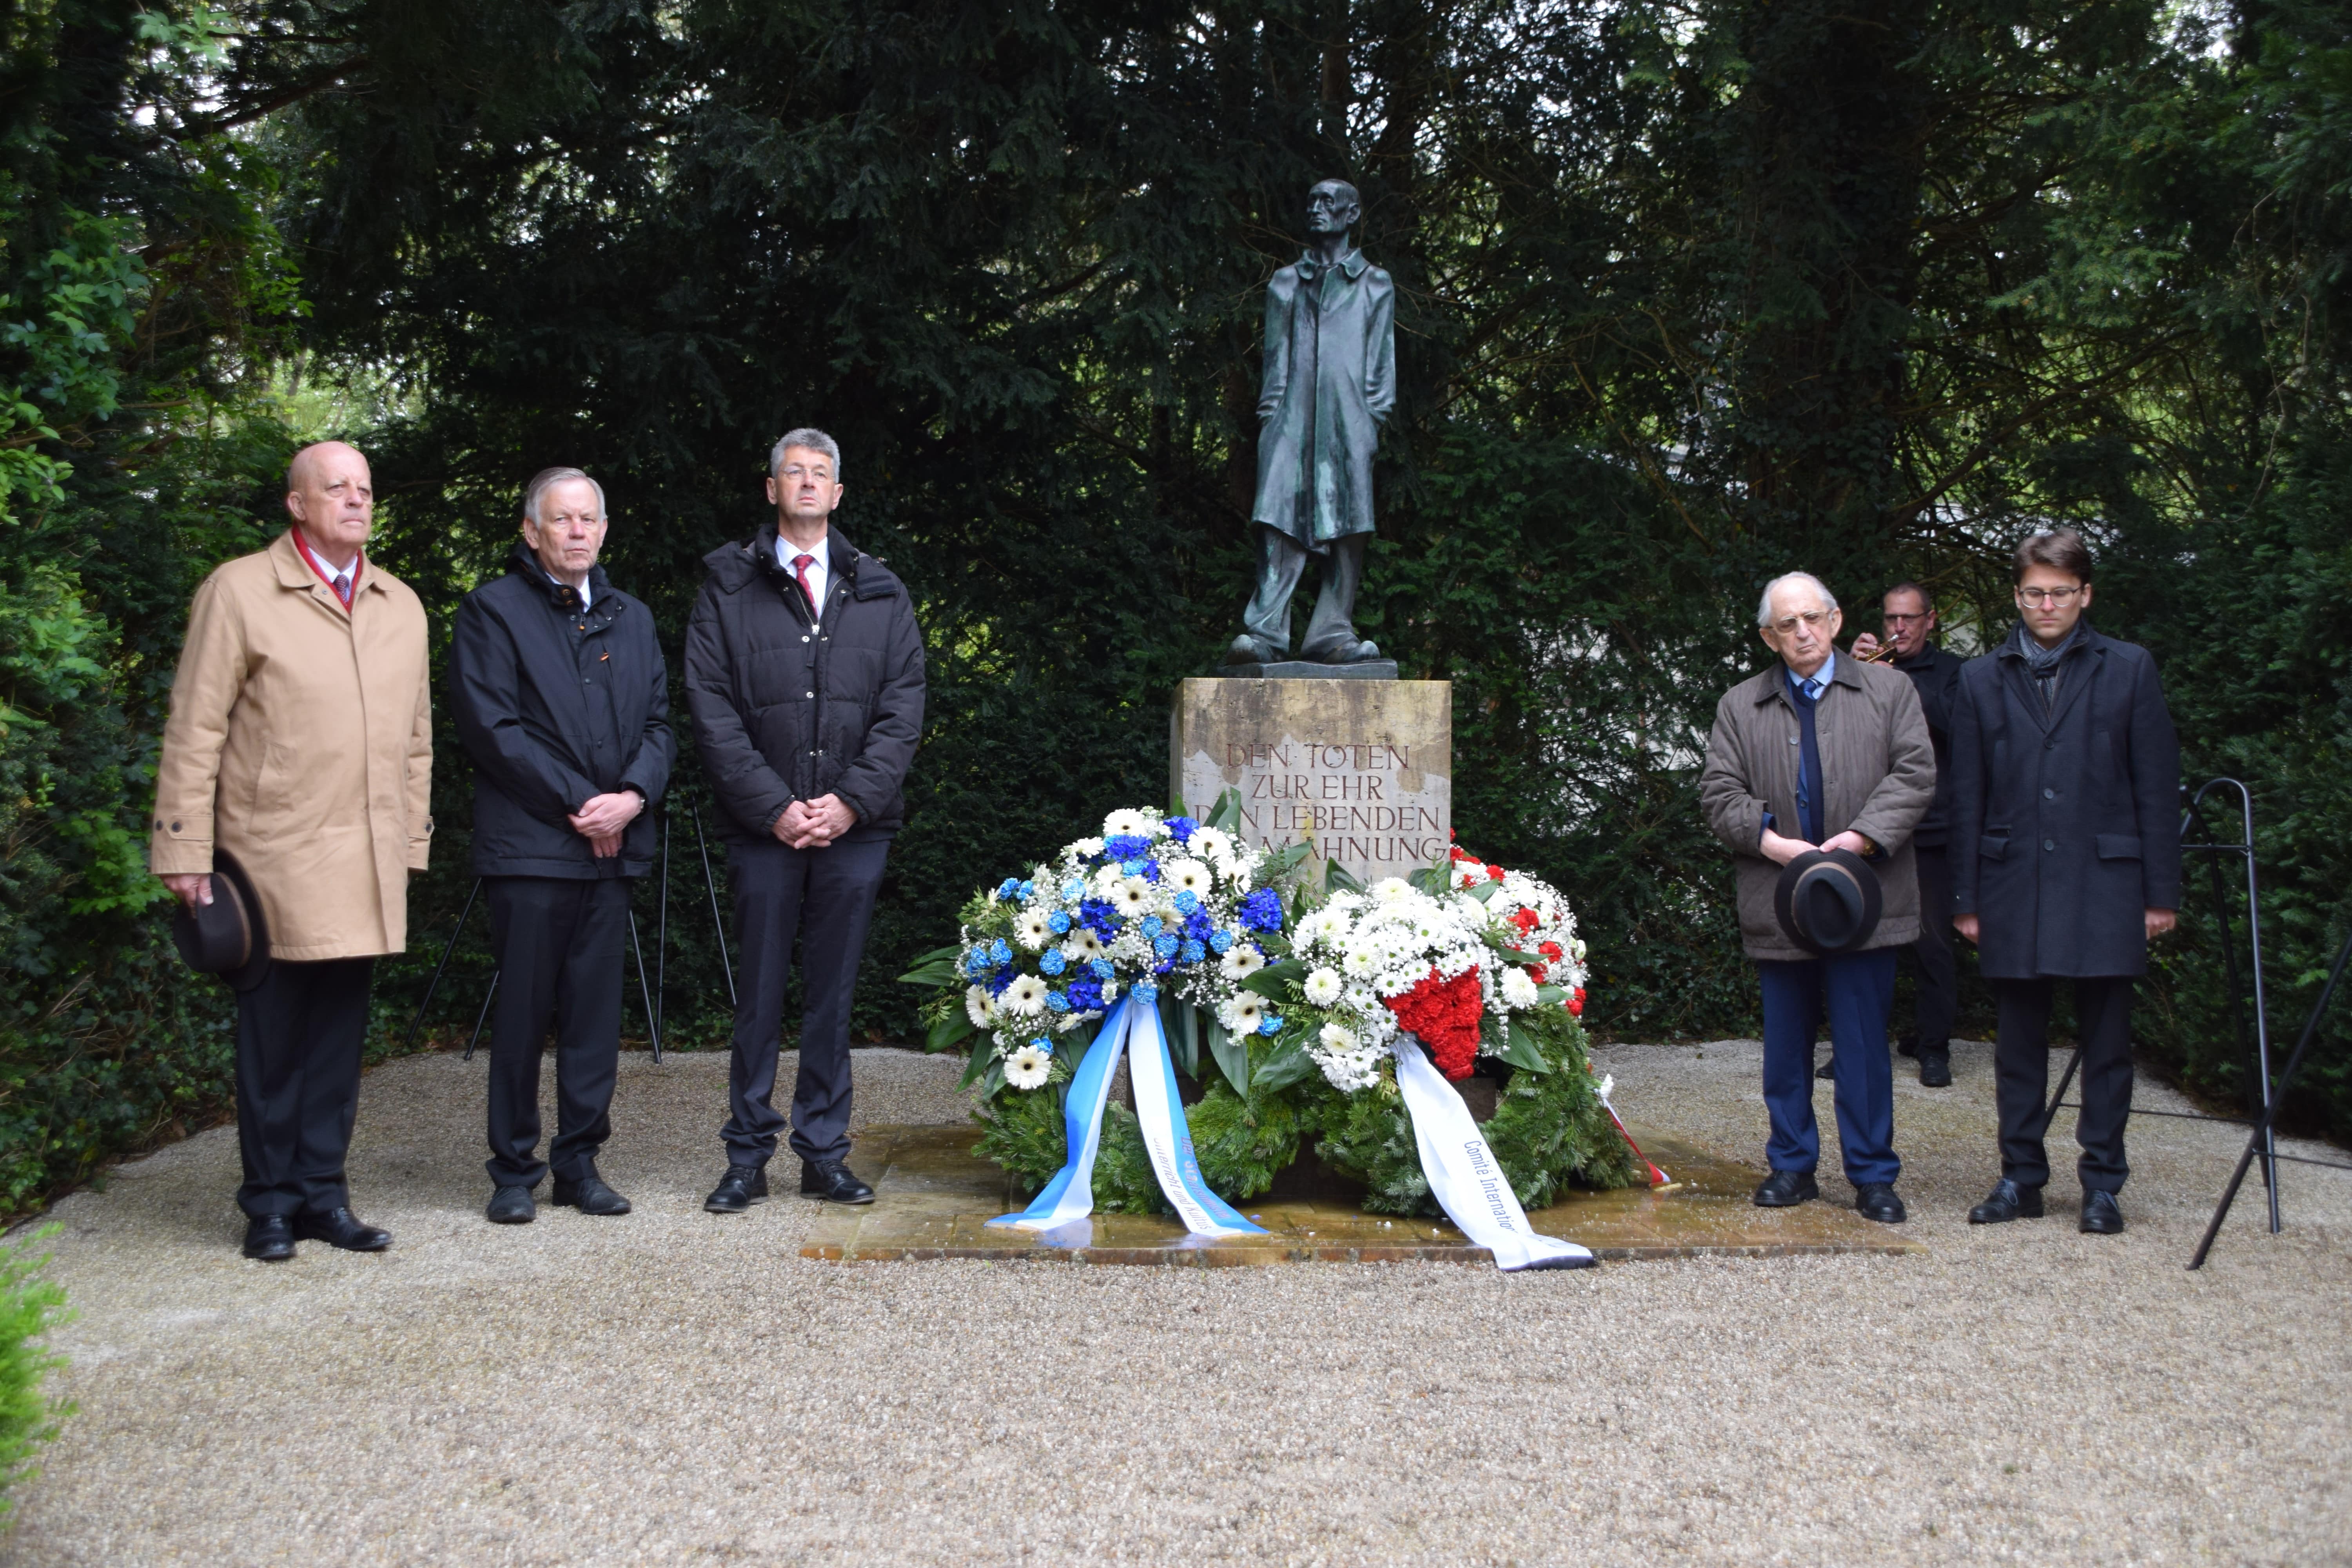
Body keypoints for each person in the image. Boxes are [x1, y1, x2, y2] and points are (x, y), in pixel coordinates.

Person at [151, 441, 433, 1261]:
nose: (355, 500)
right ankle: (269, 1204)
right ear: (296, 504)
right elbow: (195, 724)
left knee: (339, 1044)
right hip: (270, 855)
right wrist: (183, 844)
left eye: (365, 488)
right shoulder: (240, 590)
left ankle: (323, 1196)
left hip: (367, 858)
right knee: (273, 1042)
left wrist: (412, 838)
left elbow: (417, 740)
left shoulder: (400, 603)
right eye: (335, 487)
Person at [684, 429, 925, 1213]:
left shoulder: (880, 590)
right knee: (758, 993)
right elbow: (711, 707)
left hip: (858, 827)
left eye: (823, 472)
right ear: (771, 488)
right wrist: (774, 806)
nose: (809, 483)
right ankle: (746, 1156)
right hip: (765, 829)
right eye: (795, 471)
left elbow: (902, 707)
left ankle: (824, 1151)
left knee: (833, 993)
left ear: (840, 493)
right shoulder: (726, 587)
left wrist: (849, 801)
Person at [449, 467, 673, 1225]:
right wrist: (586, 805)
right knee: (522, 1016)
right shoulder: (492, 611)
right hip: (532, 850)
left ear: (605, 530)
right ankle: (514, 1170)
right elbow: (493, 731)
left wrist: (634, 797)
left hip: (612, 851)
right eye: (562, 520)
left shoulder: (632, 618)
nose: (578, 532)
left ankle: (580, 1165)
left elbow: (661, 727)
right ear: (531, 531)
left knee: (593, 1020)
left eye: (590, 520)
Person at [1949, 529, 2180, 1234]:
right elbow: (1967, 795)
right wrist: (1966, 898)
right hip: (2012, 882)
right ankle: (2021, 1178)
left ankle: (2103, 1184)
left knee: (2108, 1046)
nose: (2046, 606)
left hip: (2106, 882)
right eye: (2033, 593)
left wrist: (2160, 894)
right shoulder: (1979, 678)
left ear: (2086, 595)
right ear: (2016, 596)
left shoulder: (2130, 668)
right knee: (2017, 1045)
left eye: (2060, 593)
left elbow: (2156, 786)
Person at [1699, 572, 1935, 1224]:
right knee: (1787, 1044)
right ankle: (1792, 1165)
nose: (1802, 632)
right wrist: (1778, 847)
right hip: (1779, 898)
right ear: (1769, 637)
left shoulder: (1890, 690)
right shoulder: (1740, 706)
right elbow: (1719, 794)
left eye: (1813, 619)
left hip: (1868, 898)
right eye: (1787, 624)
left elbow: (1915, 774)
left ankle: (1872, 1175)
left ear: (1834, 622)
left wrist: (1858, 840)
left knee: (1862, 1045)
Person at [1226, 178, 1396, 667]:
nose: (1316, 210)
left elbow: (1381, 365)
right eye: (1311, 202)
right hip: (1290, 419)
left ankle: (1333, 630)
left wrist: (1371, 423)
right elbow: (1275, 362)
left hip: (1350, 421)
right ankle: (1265, 632)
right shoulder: (1285, 282)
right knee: (1276, 518)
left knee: (1349, 528)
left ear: (1351, 213)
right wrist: (1269, 422)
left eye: (1327, 203)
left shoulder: (1375, 282)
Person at [1836, 582, 1965, 1088]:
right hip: (1870, 828)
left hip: (1932, 829)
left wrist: (1899, 683)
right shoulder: (1865, 672)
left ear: (1930, 621)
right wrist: (1849, 675)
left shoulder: (1952, 673)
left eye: (1910, 619)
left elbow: (1955, 727)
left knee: (1932, 943)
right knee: (1862, 941)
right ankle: (1857, 1044)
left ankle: (1935, 1049)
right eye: (1891, 618)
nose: (1899, 629)